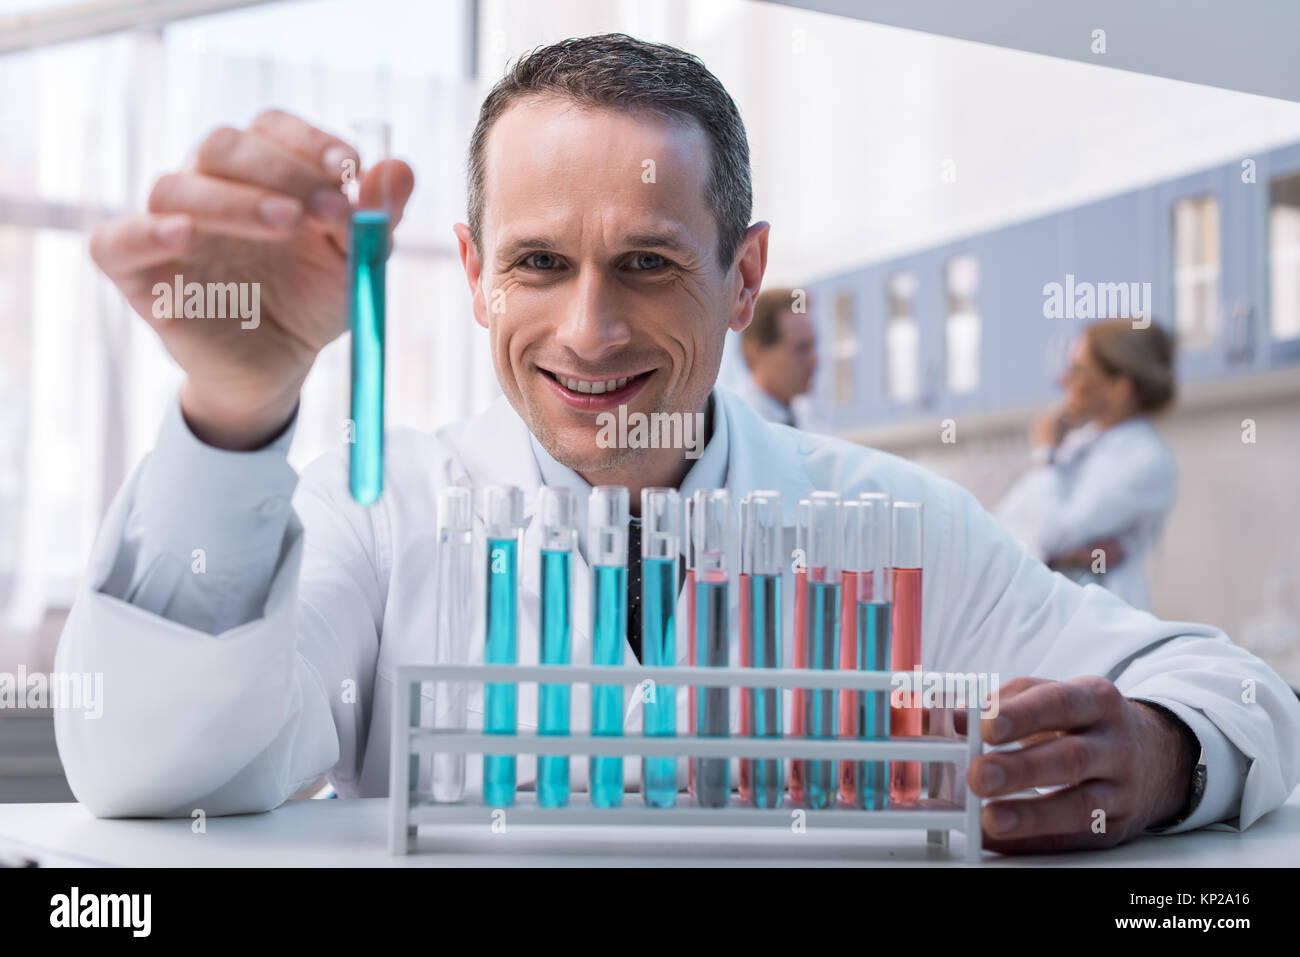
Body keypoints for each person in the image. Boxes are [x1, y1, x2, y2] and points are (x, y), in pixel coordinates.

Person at [56, 34, 1299, 855]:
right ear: (479, 275)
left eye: (646, 263)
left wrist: (1157, 755)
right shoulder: (382, 511)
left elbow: (1240, 692)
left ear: (741, 273)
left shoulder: (887, 522)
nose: (588, 332)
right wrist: (233, 406)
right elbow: (159, 771)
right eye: (541, 262)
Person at [996, 320, 1178, 612]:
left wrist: (1045, 453)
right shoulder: (1079, 442)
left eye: (1078, 370)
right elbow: (1004, 529)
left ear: (1120, 388)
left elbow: (1050, 535)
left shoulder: (1146, 460)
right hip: (1052, 615)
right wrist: (1056, 554)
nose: (1062, 380)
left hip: (1102, 622)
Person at [735, 287, 818, 428]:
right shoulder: (736, 425)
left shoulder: (806, 417)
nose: (813, 360)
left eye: (812, 346)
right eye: (801, 349)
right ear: (757, 353)